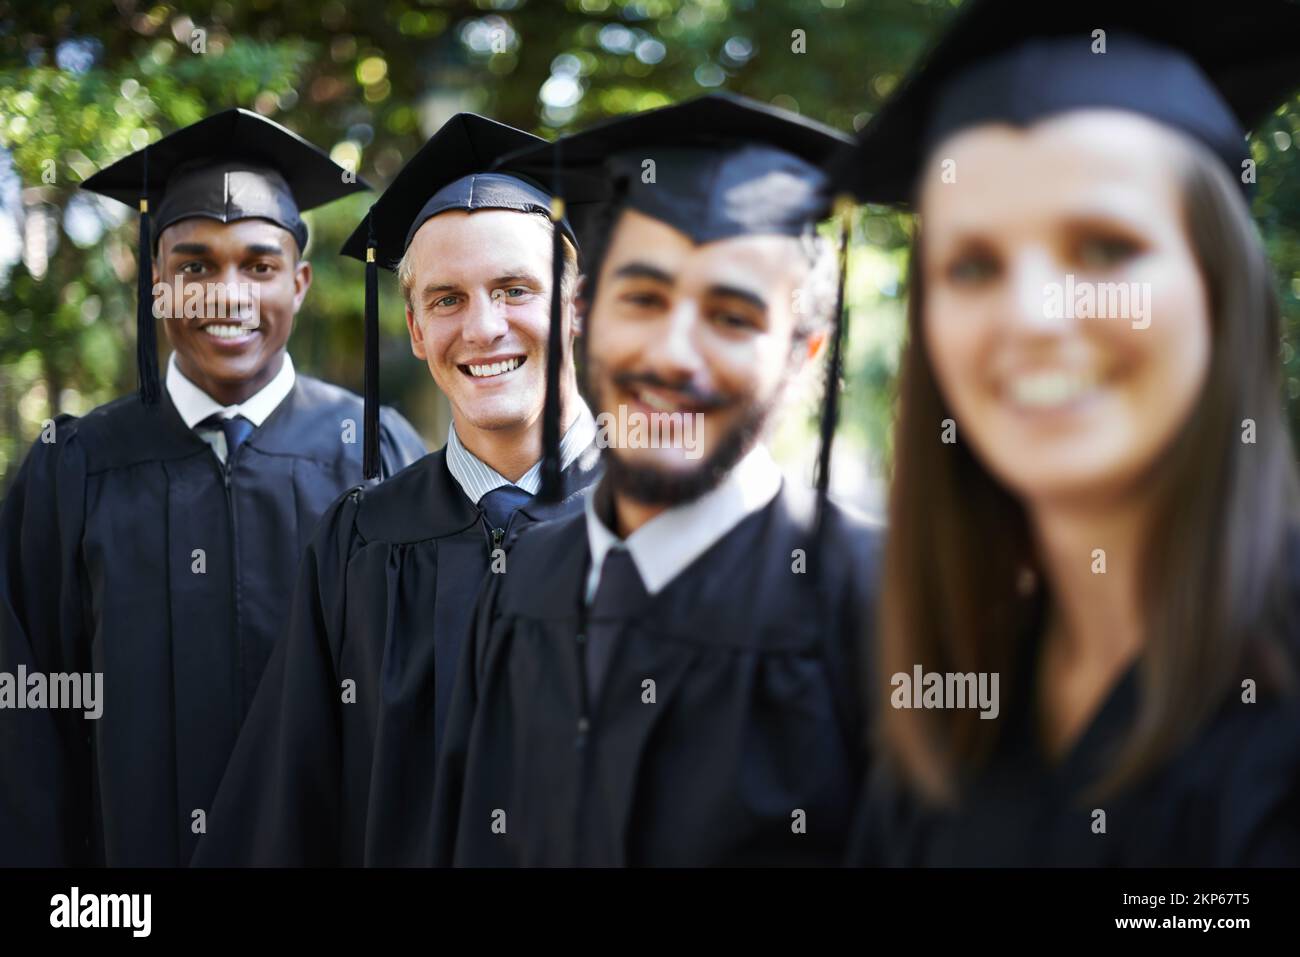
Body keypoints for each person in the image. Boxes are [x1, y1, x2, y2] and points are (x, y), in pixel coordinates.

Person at [836, 0, 1300, 866]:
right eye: (972, 266)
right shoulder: (955, 708)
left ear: (1221, 290)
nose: (1036, 316)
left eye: (1106, 248)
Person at [433, 93, 879, 866]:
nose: (675, 353)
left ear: (805, 354)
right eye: (643, 297)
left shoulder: (885, 603)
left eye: (733, 315)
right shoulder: (524, 580)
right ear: (585, 314)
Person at [0, 108, 426, 866]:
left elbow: (421, 709)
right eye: (194, 266)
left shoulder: (374, 450)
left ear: (297, 284)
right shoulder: (75, 466)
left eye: (259, 266)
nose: (225, 295)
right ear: (156, 283)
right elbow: (27, 727)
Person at [193, 114, 601, 866]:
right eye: (447, 299)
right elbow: (285, 804)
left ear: (572, 308)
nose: (484, 328)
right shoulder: (361, 543)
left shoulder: (674, 530)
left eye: (515, 289)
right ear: (414, 328)